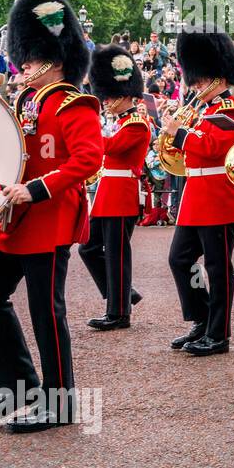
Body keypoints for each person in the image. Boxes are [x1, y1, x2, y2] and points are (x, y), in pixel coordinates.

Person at [0, 0, 101, 432]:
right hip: (16, 220)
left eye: (29, 57)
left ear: (51, 58)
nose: (22, 65)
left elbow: (86, 160)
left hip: (49, 218)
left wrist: (34, 190)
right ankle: (20, 385)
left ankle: (60, 402)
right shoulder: (24, 103)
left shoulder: (72, 103)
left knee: (46, 312)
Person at [163, 26, 234, 357]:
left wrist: (180, 134)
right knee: (179, 259)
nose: (195, 84)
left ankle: (219, 333)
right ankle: (200, 318)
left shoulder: (231, 111)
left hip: (218, 196)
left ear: (218, 76)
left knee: (217, 267)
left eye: (200, 78)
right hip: (195, 195)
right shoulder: (203, 110)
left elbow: (214, 148)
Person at [79, 46, 149, 331]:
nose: (106, 102)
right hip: (108, 192)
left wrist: (89, 127)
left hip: (121, 195)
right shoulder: (119, 122)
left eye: (111, 98)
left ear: (125, 97)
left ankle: (119, 313)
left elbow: (110, 147)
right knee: (88, 248)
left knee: (118, 254)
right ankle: (123, 294)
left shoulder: (137, 124)